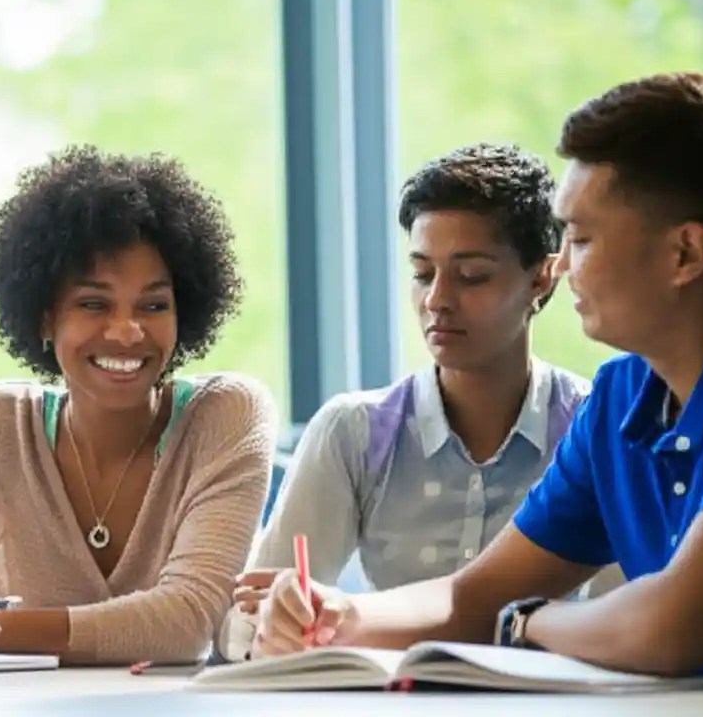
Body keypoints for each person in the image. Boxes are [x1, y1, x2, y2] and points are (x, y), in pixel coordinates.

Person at [252, 72, 703, 713]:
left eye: (581, 238)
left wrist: (527, 623)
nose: (563, 267)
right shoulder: (622, 396)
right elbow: (472, 596)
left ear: (684, 253)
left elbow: (669, 629)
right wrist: (343, 613)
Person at [0, 145, 277, 666]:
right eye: (93, 304)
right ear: (44, 318)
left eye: (153, 305)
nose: (128, 331)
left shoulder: (227, 414)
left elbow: (184, 621)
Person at [221, 143, 590, 660]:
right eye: (422, 273)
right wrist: (276, 623)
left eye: (472, 275)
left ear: (542, 277)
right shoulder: (354, 432)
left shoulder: (594, 429)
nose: (437, 299)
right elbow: (243, 628)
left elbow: (630, 614)